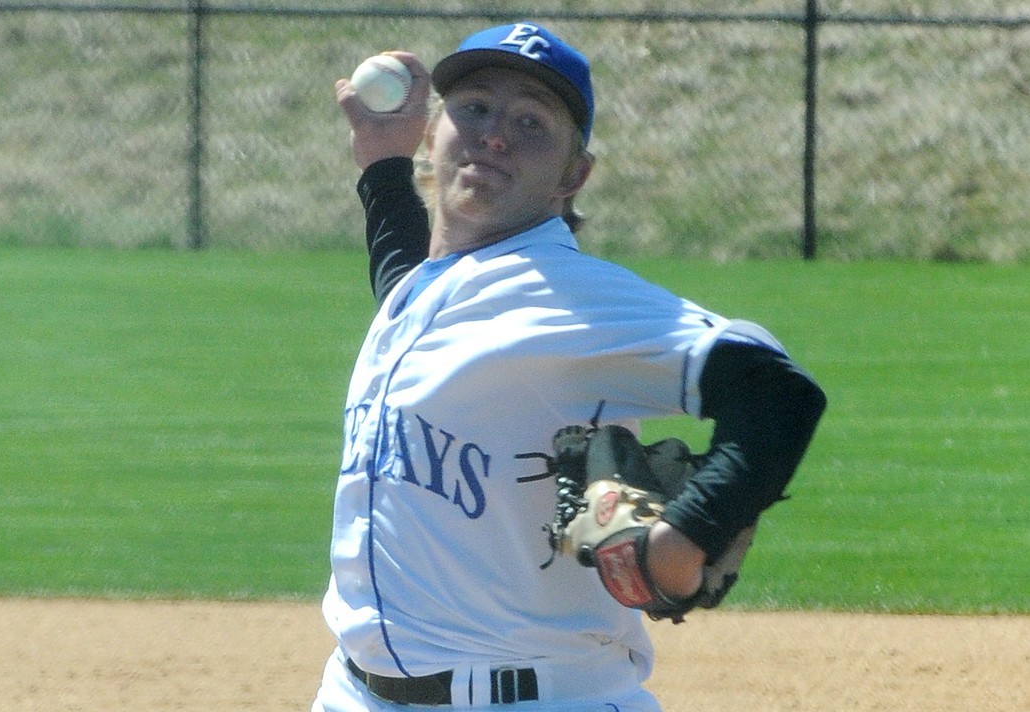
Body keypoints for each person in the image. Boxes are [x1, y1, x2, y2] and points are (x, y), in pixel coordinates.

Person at [315, 22, 826, 711]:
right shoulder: (432, 291)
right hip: (355, 695)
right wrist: (381, 165)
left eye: (531, 123)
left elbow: (779, 394)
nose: (494, 134)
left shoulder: (568, 295)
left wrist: (692, 530)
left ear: (572, 175)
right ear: (435, 131)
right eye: (475, 109)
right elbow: (405, 280)